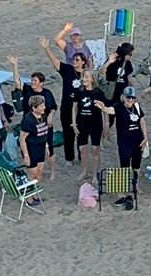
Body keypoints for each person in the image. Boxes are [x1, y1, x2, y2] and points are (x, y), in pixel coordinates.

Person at [39, 34, 91, 164]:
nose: (74, 62)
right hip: (67, 107)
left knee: (81, 134)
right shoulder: (67, 70)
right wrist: (47, 48)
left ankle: (81, 157)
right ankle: (69, 159)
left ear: (83, 62)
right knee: (68, 134)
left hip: (81, 108)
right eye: (73, 59)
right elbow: (55, 62)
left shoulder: (86, 75)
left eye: (77, 60)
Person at [73, 70, 113, 180]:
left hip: (95, 124)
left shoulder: (98, 92)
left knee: (95, 149)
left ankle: (95, 174)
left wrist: (106, 125)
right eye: (83, 77)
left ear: (92, 79)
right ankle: (85, 171)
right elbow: (74, 108)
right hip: (81, 123)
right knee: (82, 149)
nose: (84, 79)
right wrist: (73, 123)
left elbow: (104, 109)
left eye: (86, 77)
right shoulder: (79, 91)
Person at [7, 57, 57, 131]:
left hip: (43, 124)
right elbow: (17, 81)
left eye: (35, 80)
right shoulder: (27, 89)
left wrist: (50, 115)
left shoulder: (47, 93)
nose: (32, 82)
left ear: (41, 83)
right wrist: (15, 66)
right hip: (28, 122)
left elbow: (53, 107)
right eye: (32, 80)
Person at [18, 94, 54, 193]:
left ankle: (35, 194)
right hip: (31, 149)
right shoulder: (28, 120)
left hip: (40, 148)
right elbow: (22, 139)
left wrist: (46, 146)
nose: (44, 108)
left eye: (44, 105)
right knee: (32, 174)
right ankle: (29, 197)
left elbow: (44, 134)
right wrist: (26, 155)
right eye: (41, 106)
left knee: (39, 173)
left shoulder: (43, 116)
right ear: (34, 108)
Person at [113, 85, 148, 176]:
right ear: (123, 97)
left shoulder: (136, 106)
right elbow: (111, 110)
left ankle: (136, 186)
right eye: (128, 97)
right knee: (125, 164)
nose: (130, 100)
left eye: (132, 97)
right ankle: (125, 185)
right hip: (124, 141)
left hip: (137, 140)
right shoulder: (119, 106)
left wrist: (145, 137)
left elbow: (142, 120)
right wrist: (103, 108)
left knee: (136, 165)